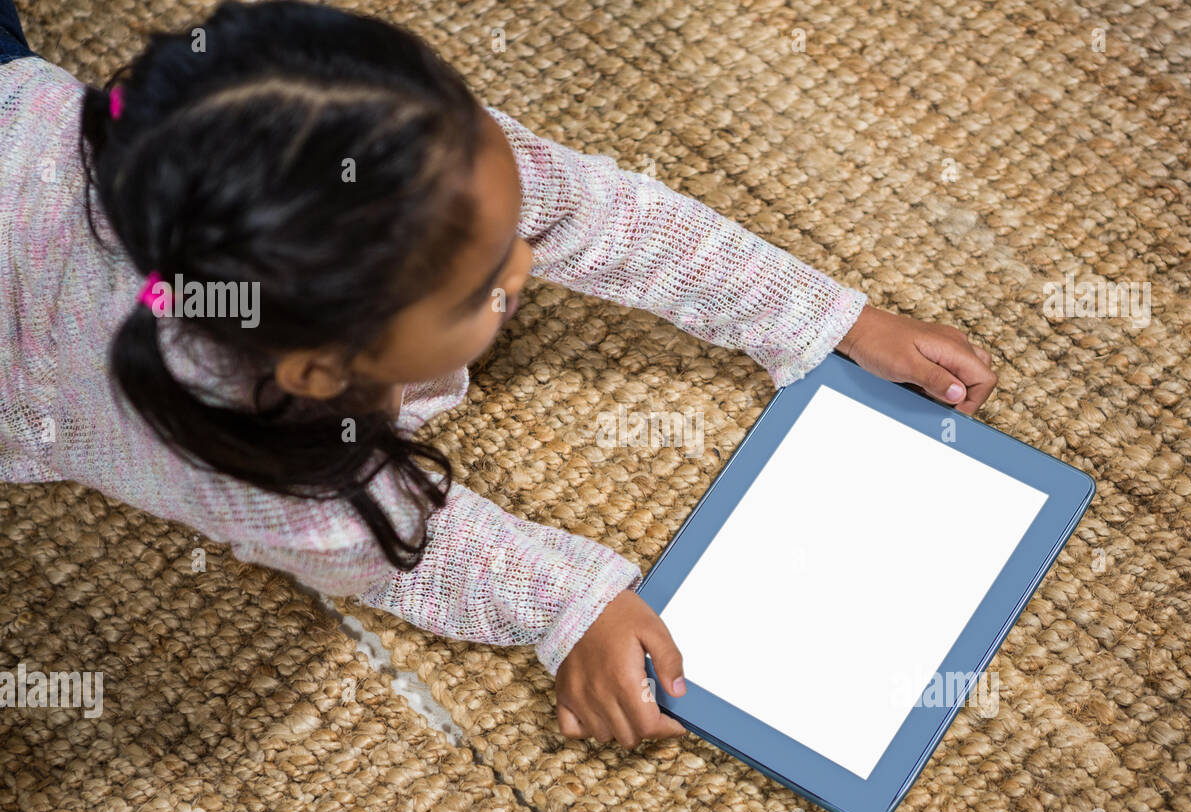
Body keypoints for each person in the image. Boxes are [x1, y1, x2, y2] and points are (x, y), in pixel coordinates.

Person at [0, 0, 997, 748]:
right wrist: (572, 603)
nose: (526, 263)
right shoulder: (221, 447)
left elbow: (605, 213)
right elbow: (403, 543)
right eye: (485, 287)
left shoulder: (400, 153)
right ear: (318, 370)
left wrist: (829, 317)